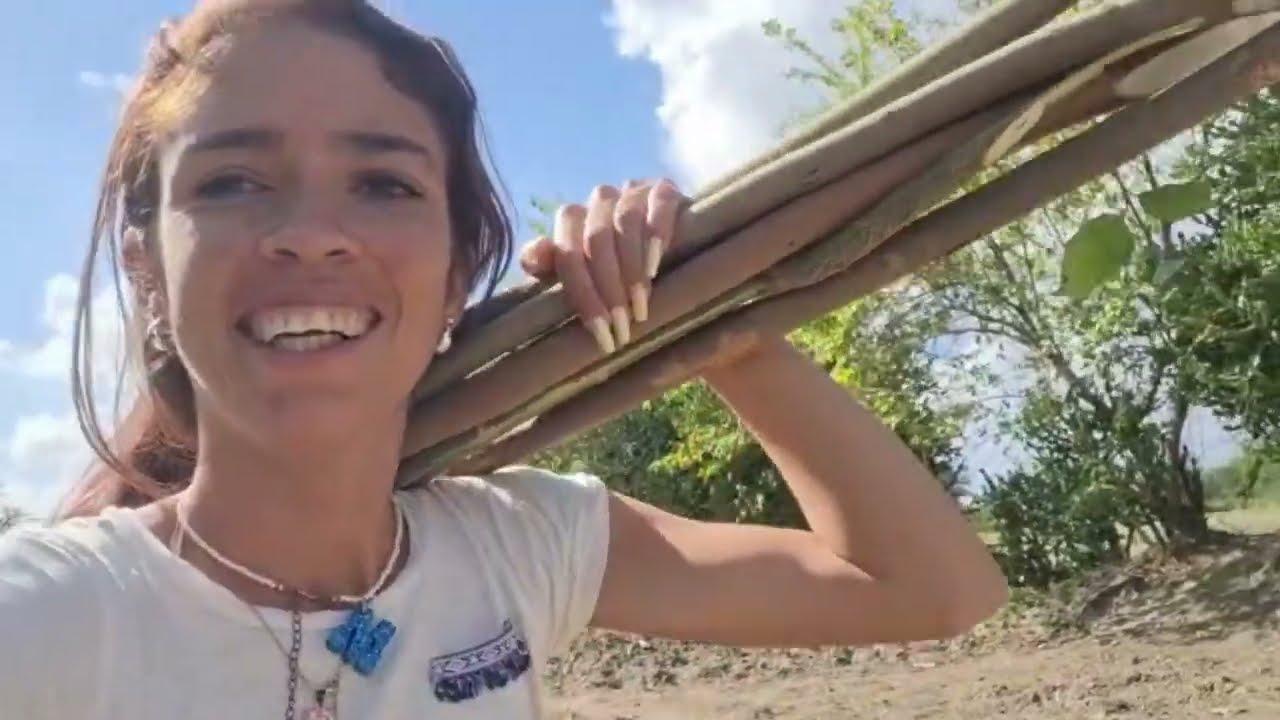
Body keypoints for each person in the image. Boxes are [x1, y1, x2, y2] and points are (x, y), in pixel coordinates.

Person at [0, 1, 1007, 718]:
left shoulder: (515, 549)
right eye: (231, 183)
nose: (310, 234)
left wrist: (714, 321)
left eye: (383, 185)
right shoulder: (51, 611)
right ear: (146, 266)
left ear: (456, 274)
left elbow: (927, 590)